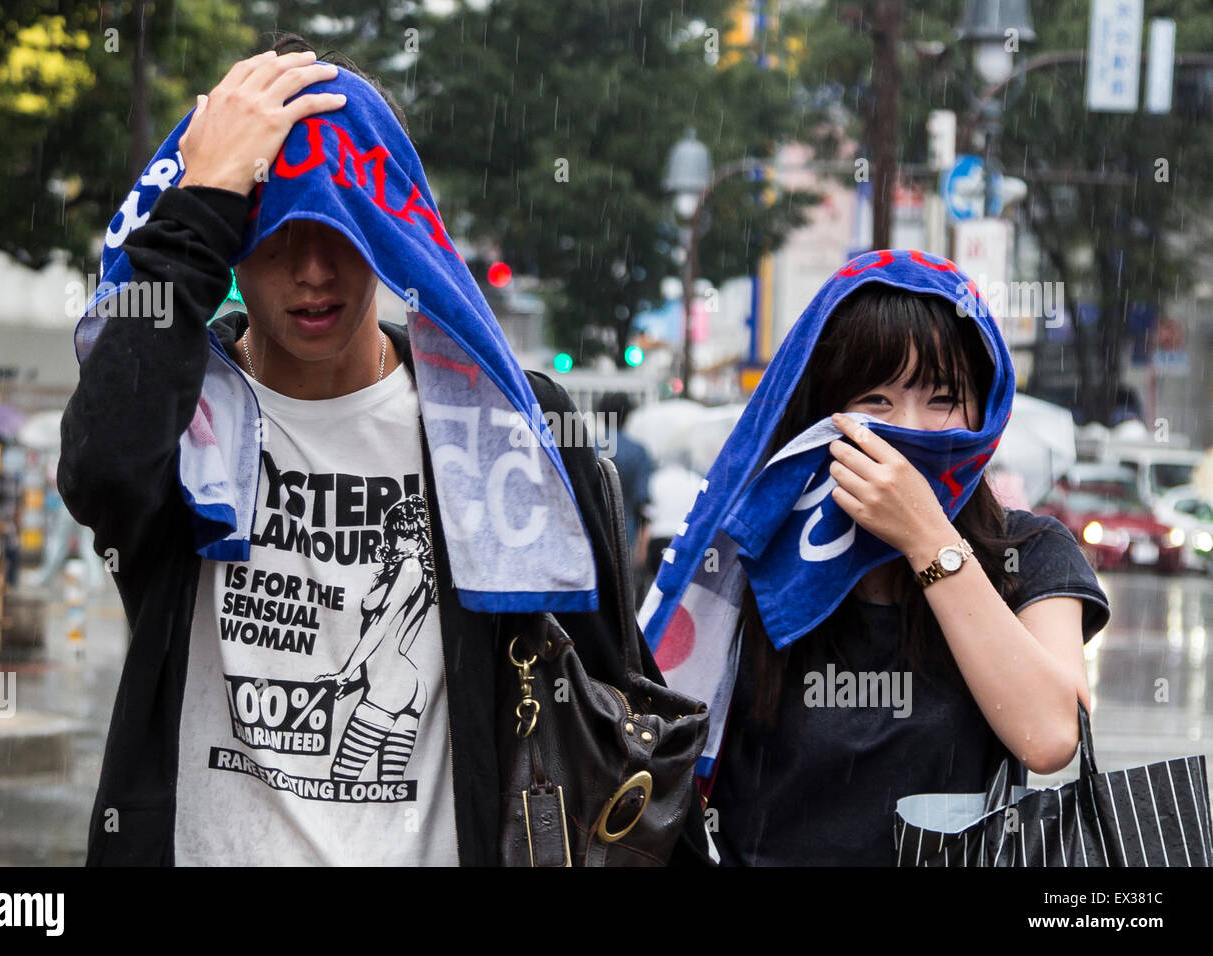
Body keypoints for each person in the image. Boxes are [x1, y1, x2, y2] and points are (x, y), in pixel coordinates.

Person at [59, 34, 707, 865]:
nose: (314, 271)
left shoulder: (495, 420)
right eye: (270, 229)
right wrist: (198, 200)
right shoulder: (190, 415)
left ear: (387, 221)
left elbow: (611, 688)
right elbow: (100, 469)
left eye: (342, 224)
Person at [637, 251, 1110, 866]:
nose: (908, 431)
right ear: (819, 414)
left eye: (943, 398)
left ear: (983, 412)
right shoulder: (744, 556)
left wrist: (926, 538)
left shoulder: (1030, 553)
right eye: (876, 401)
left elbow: (1048, 737)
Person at [596, 392, 655, 589]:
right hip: (625, 535)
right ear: (628, 415)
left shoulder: (587, 446)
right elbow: (643, 502)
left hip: (591, 533)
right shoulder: (639, 451)